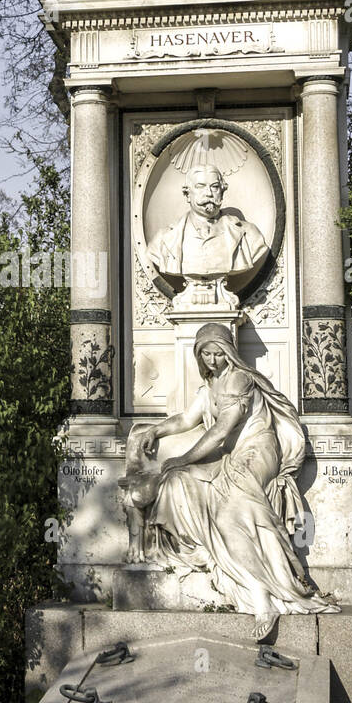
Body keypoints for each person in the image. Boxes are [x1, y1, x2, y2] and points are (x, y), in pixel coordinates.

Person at [132, 322, 337, 639]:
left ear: (229, 351)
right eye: (206, 354)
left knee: (230, 514)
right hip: (230, 459)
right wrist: (156, 430)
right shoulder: (212, 386)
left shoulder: (239, 380)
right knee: (176, 481)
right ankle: (197, 551)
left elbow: (220, 432)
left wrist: (185, 457)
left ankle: (262, 598)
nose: (213, 360)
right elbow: (188, 419)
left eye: (218, 353)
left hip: (257, 453)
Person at [148, 165, 268, 282]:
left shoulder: (249, 234)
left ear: (222, 191)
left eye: (214, 187)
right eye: (200, 187)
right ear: (187, 194)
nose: (209, 193)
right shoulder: (164, 239)